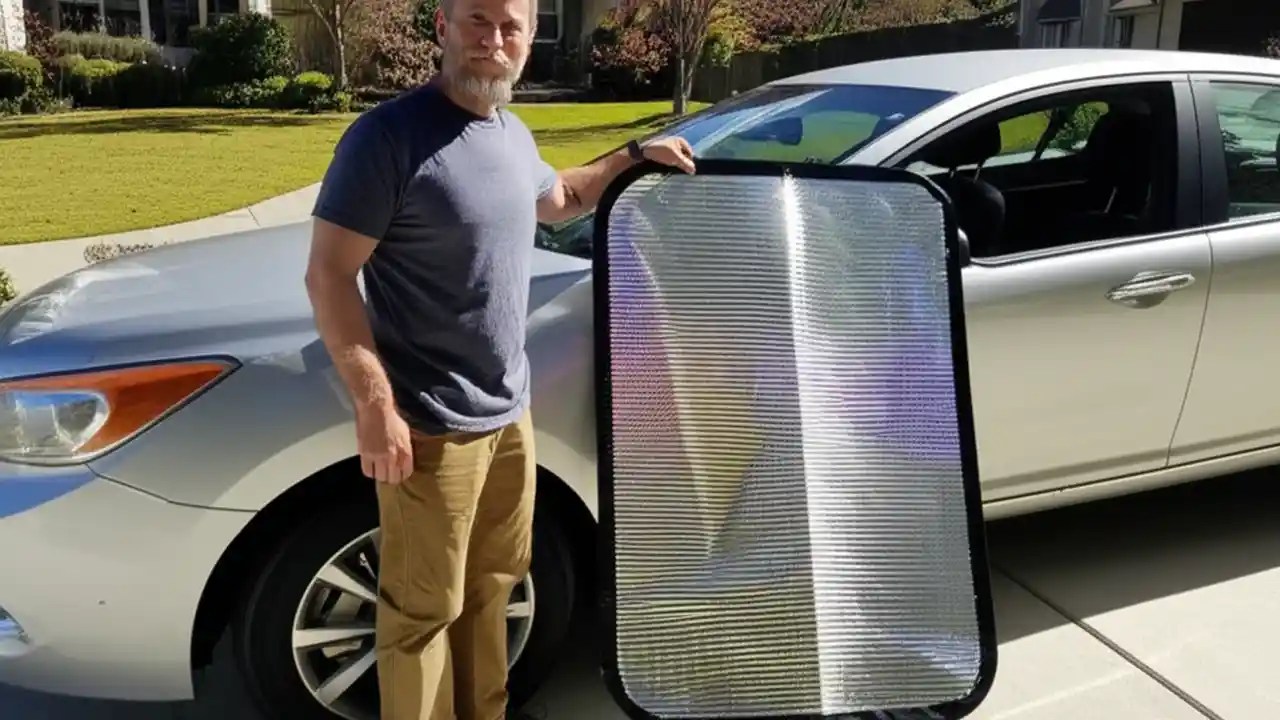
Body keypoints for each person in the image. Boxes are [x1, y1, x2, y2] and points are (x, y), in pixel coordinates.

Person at [303, 0, 696, 716]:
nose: (494, 40)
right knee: (421, 614)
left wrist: (635, 156)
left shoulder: (511, 135)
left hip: (509, 420)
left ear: (531, 38)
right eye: (477, 21)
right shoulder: (386, 138)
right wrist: (375, 405)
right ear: (442, 28)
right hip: (428, 426)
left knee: (493, 591)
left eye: (510, 26)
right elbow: (328, 275)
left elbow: (562, 195)